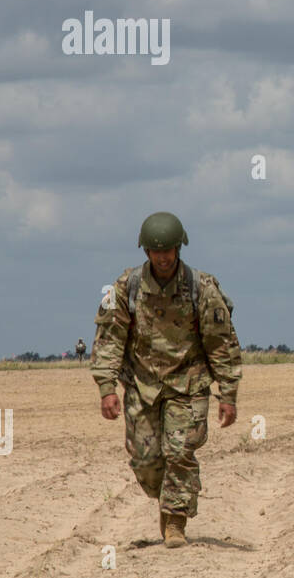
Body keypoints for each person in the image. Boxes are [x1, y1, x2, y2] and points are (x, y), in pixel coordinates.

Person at [90, 212, 242, 547]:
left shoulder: (201, 288)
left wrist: (227, 394)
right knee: (146, 463)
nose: (163, 257)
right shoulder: (126, 287)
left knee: (181, 453)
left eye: (169, 250)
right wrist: (107, 388)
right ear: (146, 252)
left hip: (188, 384)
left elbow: (222, 343)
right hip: (142, 385)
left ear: (179, 249)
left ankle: (175, 521)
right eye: (156, 251)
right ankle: (169, 497)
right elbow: (109, 339)